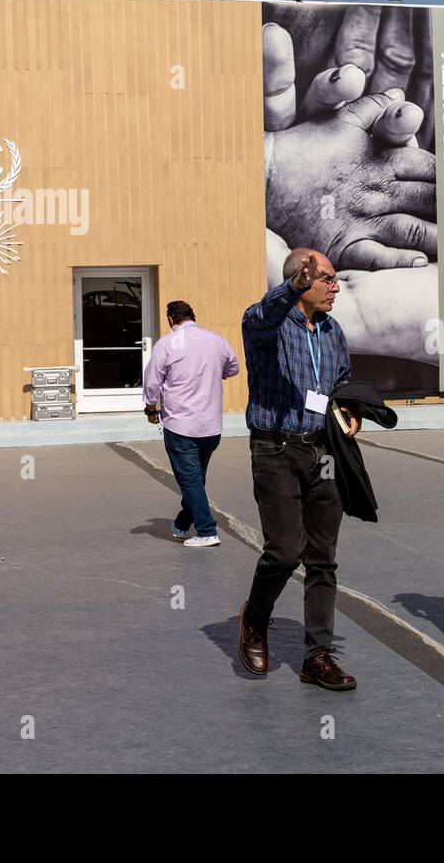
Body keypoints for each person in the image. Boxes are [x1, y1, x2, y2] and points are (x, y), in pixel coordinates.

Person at [237, 249, 362, 691]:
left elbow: (341, 382)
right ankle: (255, 617)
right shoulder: (267, 327)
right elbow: (257, 315)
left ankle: (317, 657)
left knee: (322, 558)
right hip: (275, 450)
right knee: (284, 552)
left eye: (334, 280)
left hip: (323, 452)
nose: (335, 287)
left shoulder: (333, 331)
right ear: (301, 281)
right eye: (326, 279)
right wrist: (288, 290)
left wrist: (349, 408)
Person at [142, 300, 239, 548]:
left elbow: (152, 381)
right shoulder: (216, 340)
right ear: (192, 316)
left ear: (171, 320)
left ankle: (206, 530)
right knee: (195, 478)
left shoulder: (167, 344)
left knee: (190, 480)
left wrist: (151, 408)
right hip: (211, 424)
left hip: (181, 424)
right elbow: (234, 367)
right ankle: (183, 523)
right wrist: (218, 373)